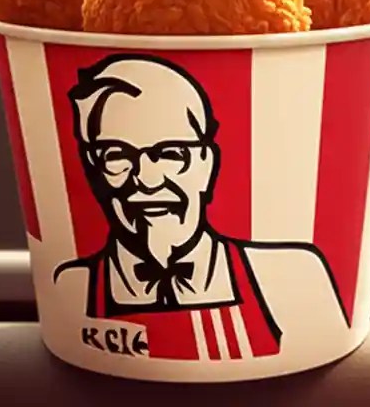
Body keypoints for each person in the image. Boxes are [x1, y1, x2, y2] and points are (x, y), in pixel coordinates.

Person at [52, 54, 348, 359]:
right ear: (93, 170)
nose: (148, 180)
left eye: (171, 153)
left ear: (206, 164)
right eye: (117, 155)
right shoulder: (75, 286)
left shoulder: (291, 275)